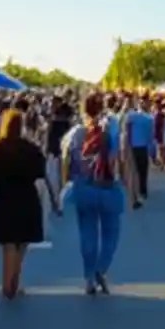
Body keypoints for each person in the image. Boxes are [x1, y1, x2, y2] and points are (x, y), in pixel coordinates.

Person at [0, 110, 59, 299]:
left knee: (8, 243)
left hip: (3, 198)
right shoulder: (31, 149)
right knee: (22, 242)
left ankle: (7, 283)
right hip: (27, 198)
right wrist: (54, 199)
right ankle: (14, 280)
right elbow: (41, 174)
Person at [62, 93, 124, 296]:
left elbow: (66, 161)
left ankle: (89, 278)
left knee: (87, 233)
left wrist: (67, 184)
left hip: (83, 187)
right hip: (108, 187)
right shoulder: (112, 129)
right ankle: (101, 268)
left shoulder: (75, 133)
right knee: (111, 234)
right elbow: (116, 160)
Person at [123, 97, 155, 208]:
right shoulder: (149, 119)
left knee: (133, 171)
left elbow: (127, 132)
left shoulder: (131, 117)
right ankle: (143, 190)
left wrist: (126, 147)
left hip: (133, 147)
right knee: (143, 170)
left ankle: (134, 194)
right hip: (143, 147)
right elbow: (151, 137)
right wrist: (152, 152)